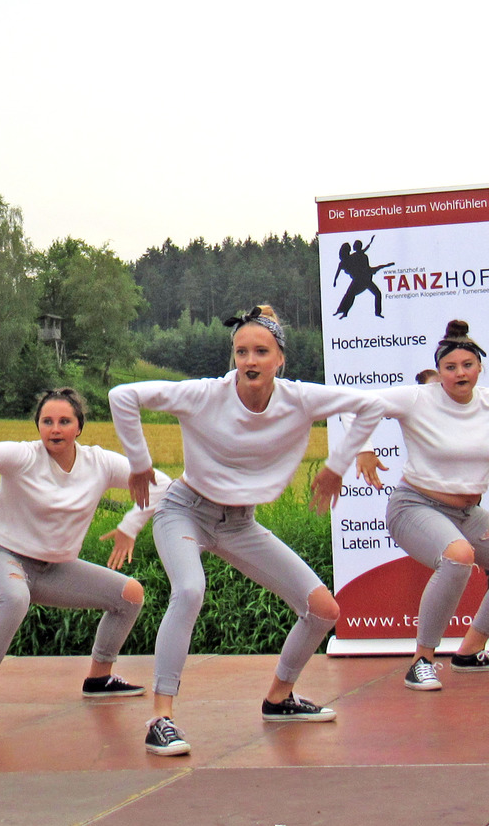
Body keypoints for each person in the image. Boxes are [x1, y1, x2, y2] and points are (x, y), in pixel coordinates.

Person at [109, 305, 386, 757]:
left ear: (281, 359)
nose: (250, 360)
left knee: (323, 610)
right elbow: (123, 396)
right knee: (190, 590)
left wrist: (337, 467)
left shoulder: (299, 399)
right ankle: (161, 718)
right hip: (185, 511)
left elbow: (370, 406)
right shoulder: (204, 395)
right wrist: (139, 463)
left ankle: (280, 698)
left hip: (240, 524)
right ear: (233, 357)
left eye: (261, 351)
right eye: (241, 352)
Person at [348, 321, 489, 692]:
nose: (459, 373)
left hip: (468, 514)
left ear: (479, 368)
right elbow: (360, 407)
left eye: (467, 365)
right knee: (458, 556)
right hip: (414, 506)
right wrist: (364, 447)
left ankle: (471, 651)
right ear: (440, 372)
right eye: (450, 367)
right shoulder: (419, 398)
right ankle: (422, 661)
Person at [0, 388, 167, 726]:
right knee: (15, 598)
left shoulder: (99, 463)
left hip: (54, 569)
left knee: (129, 595)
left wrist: (130, 526)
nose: (55, 429)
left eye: (64, 421)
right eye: (47, 421)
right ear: (38, 426)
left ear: (79, 427)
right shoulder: (23, 456)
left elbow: (160, 483)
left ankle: (99, 679)